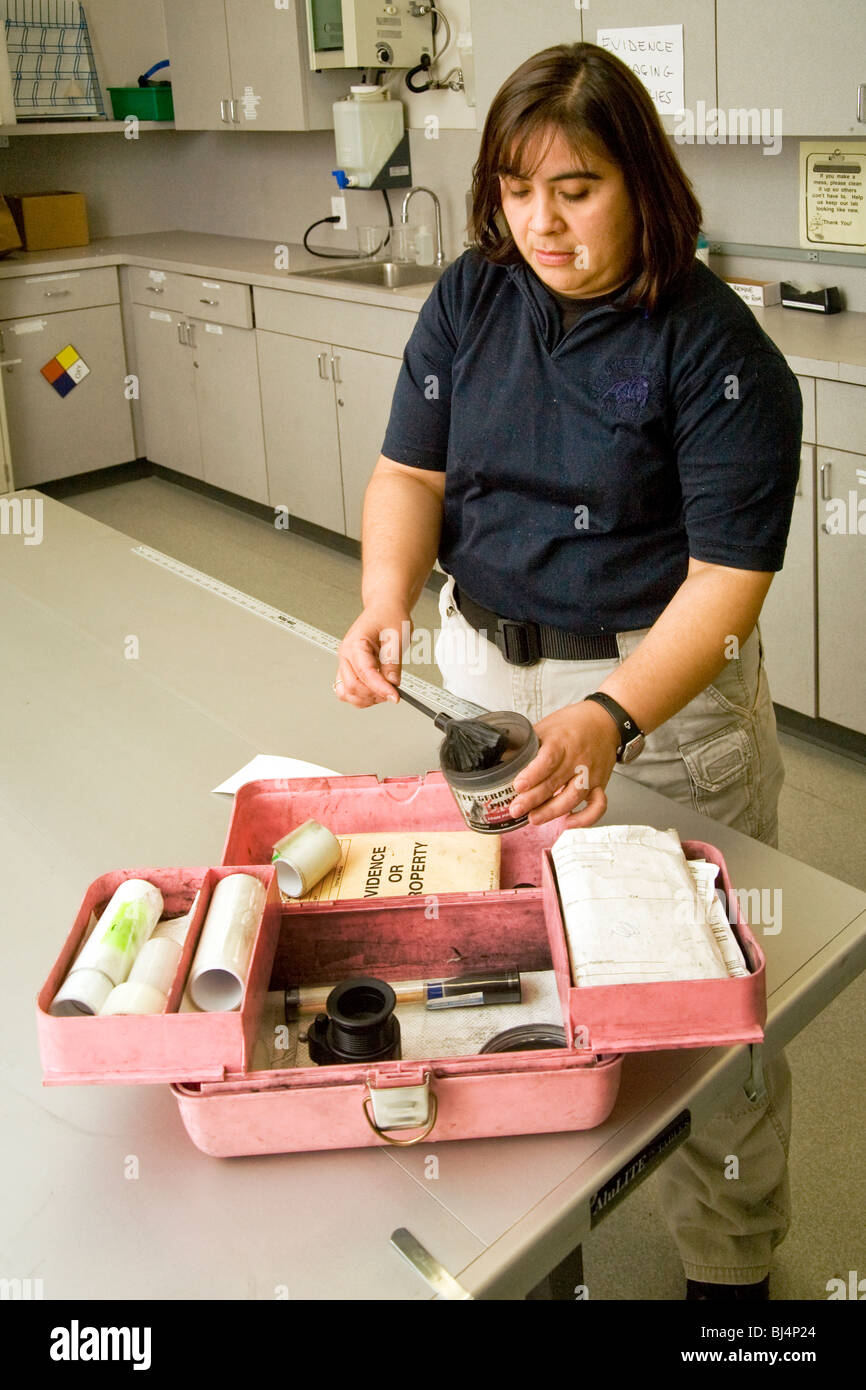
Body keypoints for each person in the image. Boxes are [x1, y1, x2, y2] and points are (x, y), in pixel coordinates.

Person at [334, 42, 801, 1300]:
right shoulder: (471, 299)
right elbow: (408, 477)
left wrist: (607, 714)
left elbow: (724, 586)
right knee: (510, 979)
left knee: (698, 1014)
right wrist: (385, 602)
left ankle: (730, 1288)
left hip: (656, 703)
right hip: (487, 685)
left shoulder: (716, 351)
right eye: (513, 186)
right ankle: (544, 1264)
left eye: (575, 187)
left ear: (641, 182)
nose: (538, 221)